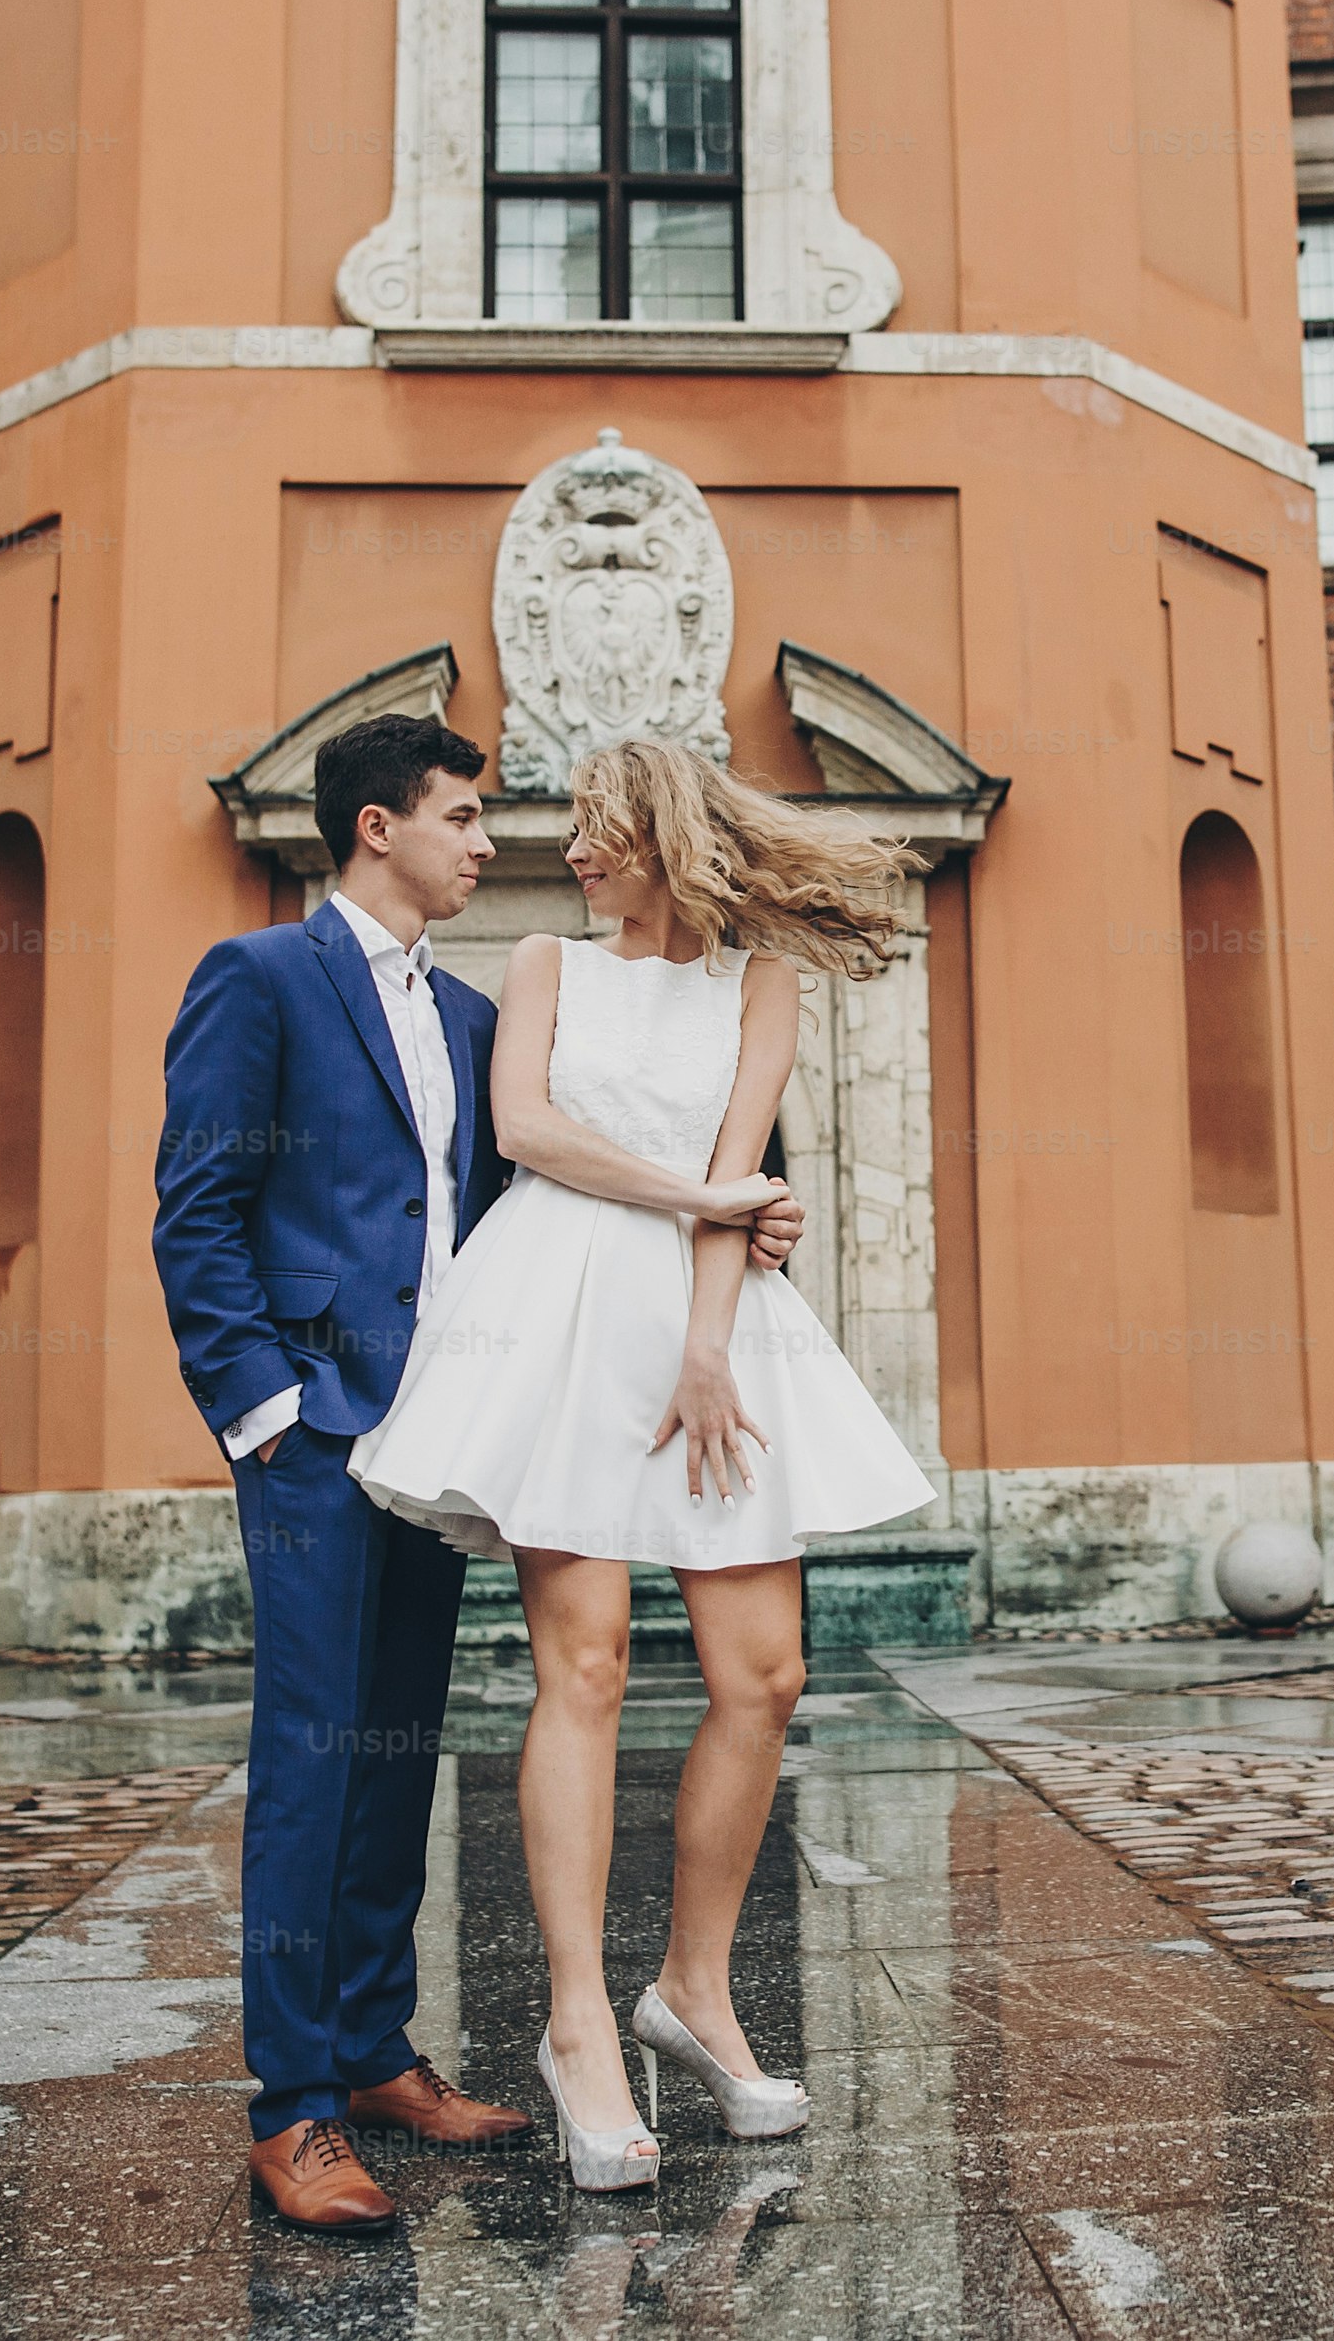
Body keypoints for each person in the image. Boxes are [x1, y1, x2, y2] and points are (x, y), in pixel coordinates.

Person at [149, 713, 806, 2231]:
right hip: (314, 1430)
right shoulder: (259, 979)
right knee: (314, 1761)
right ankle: (295, 2108)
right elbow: (197, 1210)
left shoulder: (459, 1010)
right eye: (460, 817)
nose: (486, 842)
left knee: (395, 1750)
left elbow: (556, 1202)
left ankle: (375, 2056)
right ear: (378, 827)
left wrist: (753, 1222)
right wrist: (261, 1412)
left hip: (447, 1429)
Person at [352, 737, 939, 2193]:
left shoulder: (760, 986)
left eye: (605, 829)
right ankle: (574, 2027)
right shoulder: (547, 957)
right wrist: (709, 1196)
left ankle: (691, 1991)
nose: (579, 849)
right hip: (556, 1311)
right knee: (590, 1665)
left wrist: (709, 1337)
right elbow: (526, 1130)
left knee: (764, 1675)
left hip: (708, 1321)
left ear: (667, 836)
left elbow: (748, 1158)